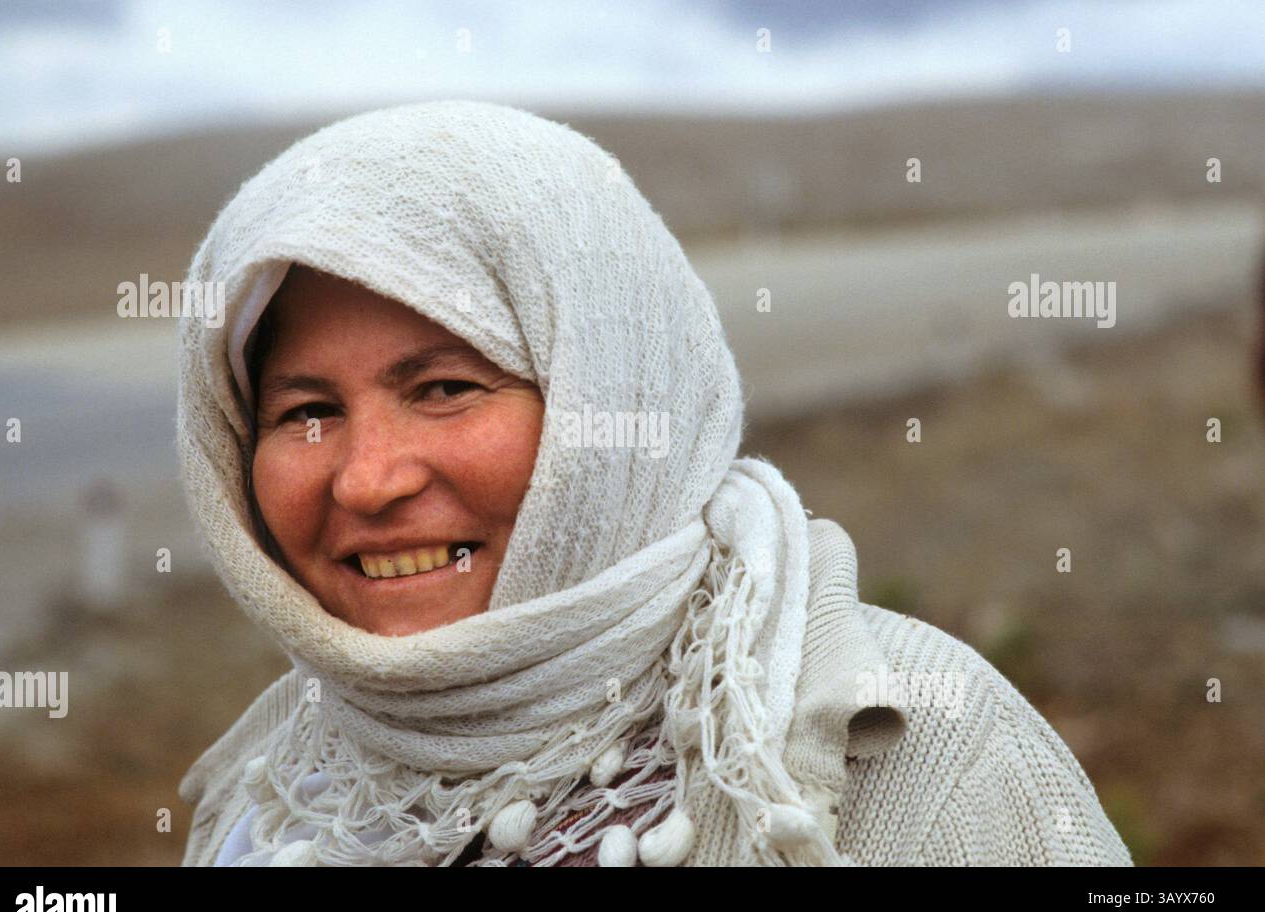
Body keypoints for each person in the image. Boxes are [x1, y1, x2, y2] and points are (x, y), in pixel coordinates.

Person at [175, 100, 1132, 867]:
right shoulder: (281, 783)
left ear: (616, 386)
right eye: (306, 412)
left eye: (446, 389)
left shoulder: (920, 756)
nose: (369, 480)